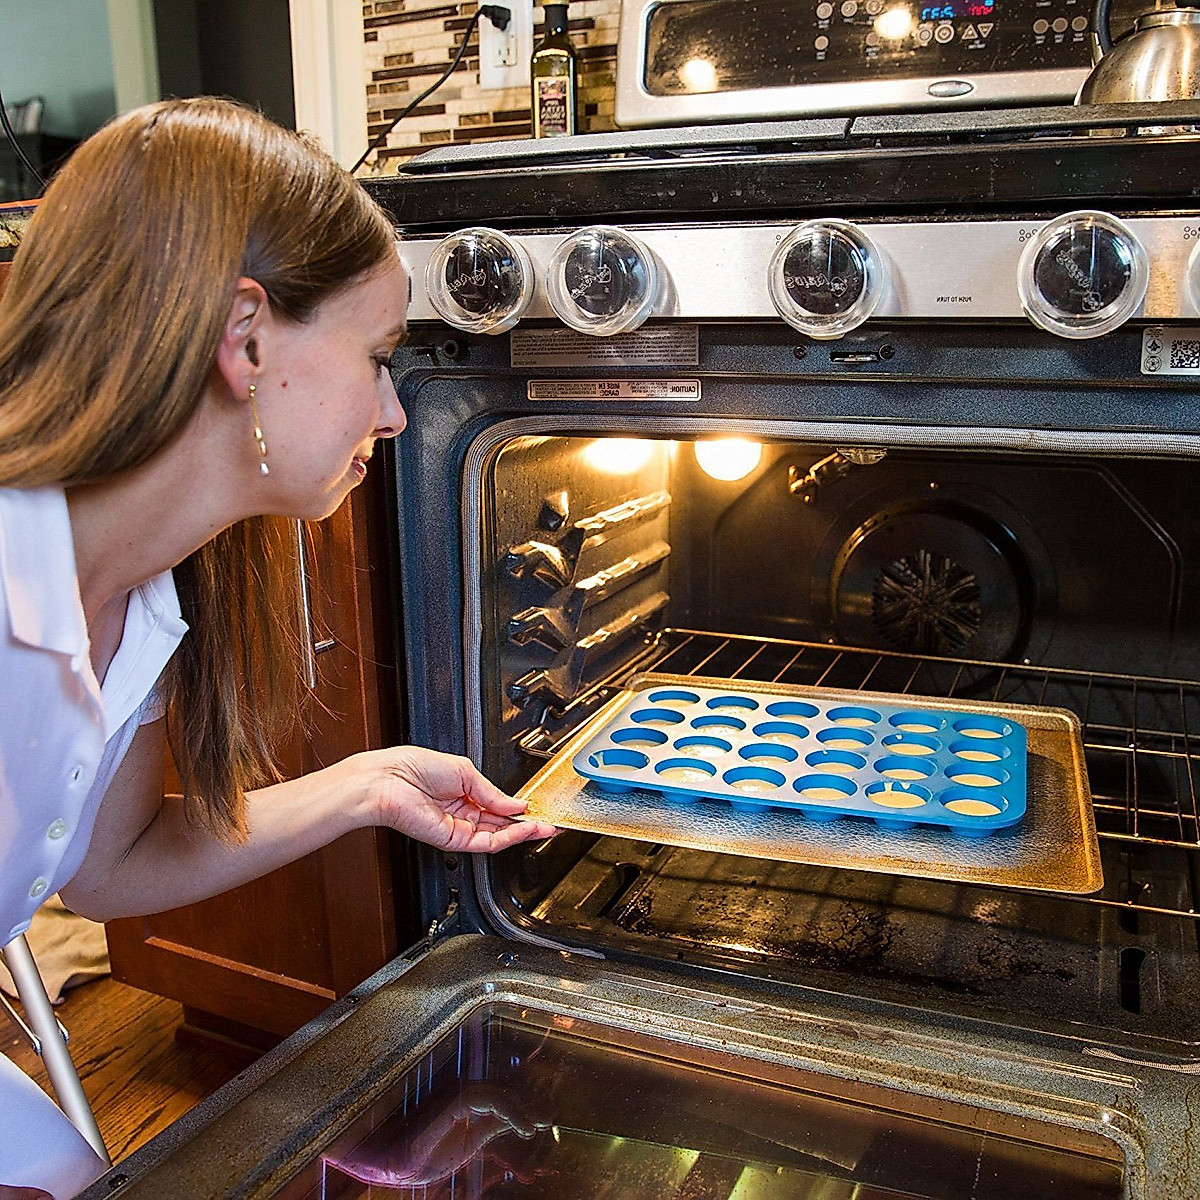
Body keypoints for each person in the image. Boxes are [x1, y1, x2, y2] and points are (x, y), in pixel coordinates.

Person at [0, 97, 555, 1199]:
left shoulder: (148, 595)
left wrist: (366, 786)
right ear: (245, 338)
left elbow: (106, 868)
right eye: (378, 356)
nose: (395, 413)